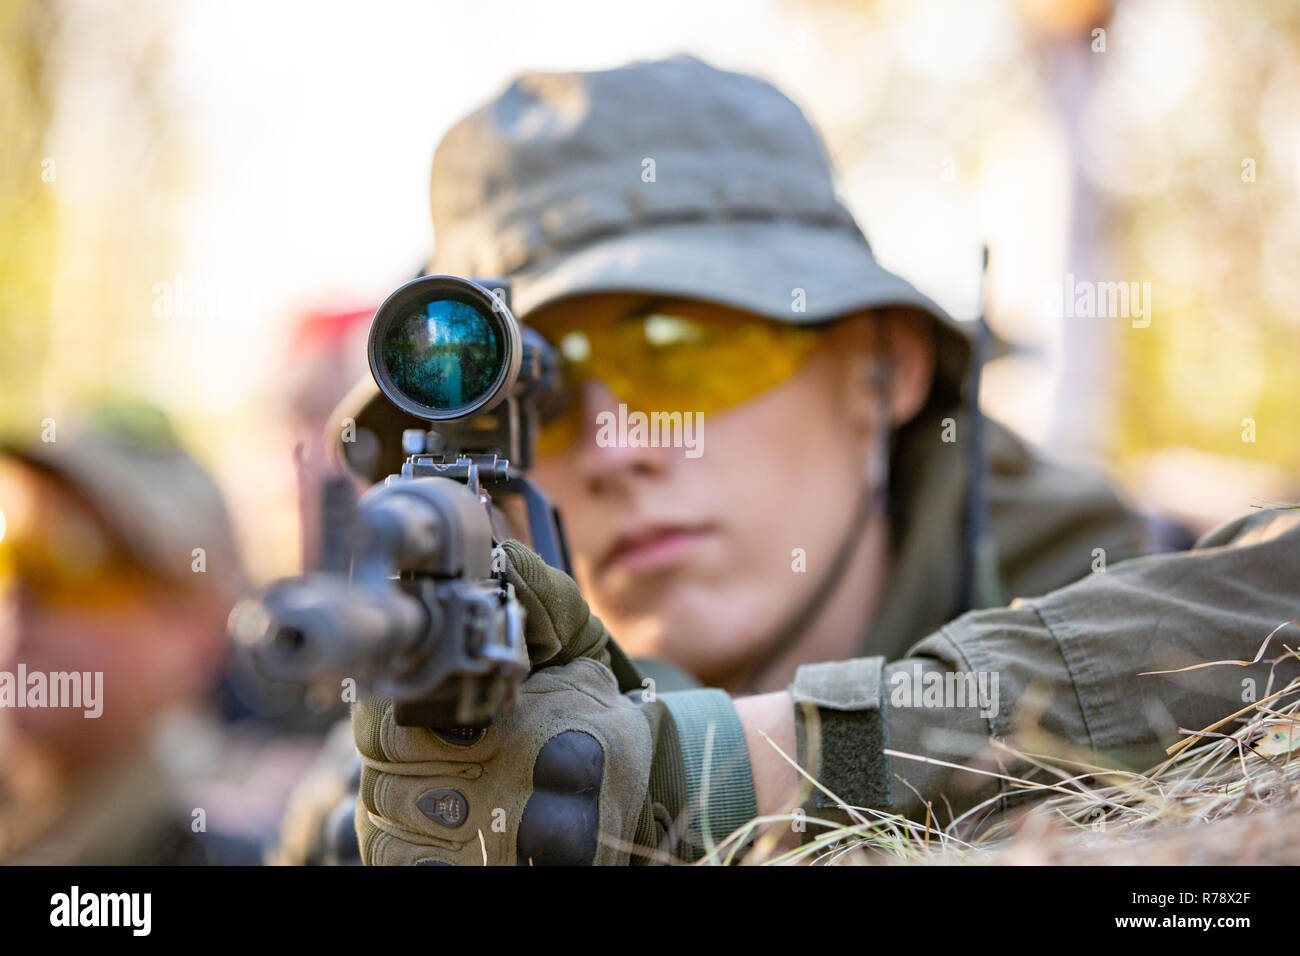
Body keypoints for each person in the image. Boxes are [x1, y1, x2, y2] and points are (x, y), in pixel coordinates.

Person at [331, 56, 1229, 864]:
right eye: (541, 405)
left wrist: (724, 768)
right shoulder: (433, 744)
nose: (616, 451)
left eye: (681, 350)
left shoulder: (1140, 575)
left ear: (883, 368)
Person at [0, 404, 244, 863]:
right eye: (11, 551)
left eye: (73, 559)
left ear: (196, 627)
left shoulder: (222, 841)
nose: (19, 597)